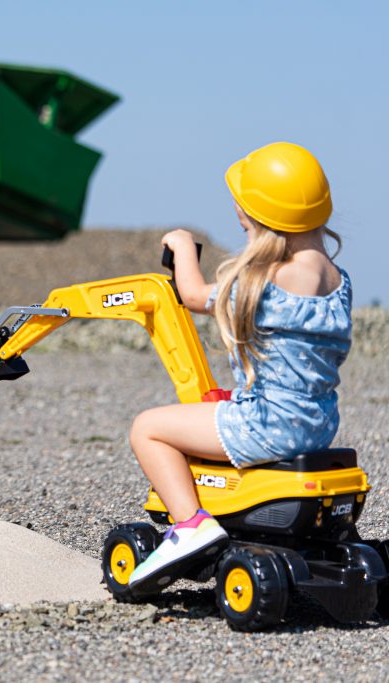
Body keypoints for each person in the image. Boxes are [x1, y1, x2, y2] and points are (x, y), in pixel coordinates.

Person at [127, 142, 351, 592]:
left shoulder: (265, 280)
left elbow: (191, 295)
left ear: (263, 221)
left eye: (245, 221)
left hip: (265, 425)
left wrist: (181, 247)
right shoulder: (336, 278)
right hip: (316, 424)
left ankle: (190, 524)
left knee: (147, 427)